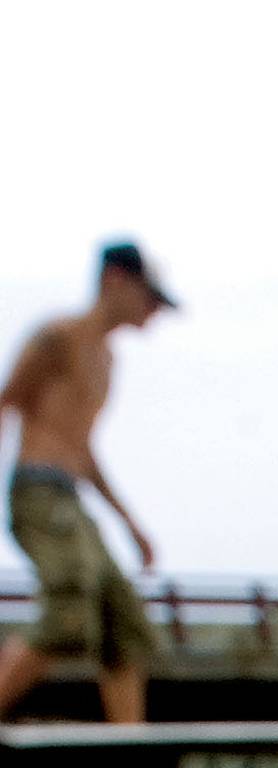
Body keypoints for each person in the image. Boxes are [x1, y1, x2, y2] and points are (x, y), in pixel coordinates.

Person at [0, 240, 176, 724]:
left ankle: (128, 749)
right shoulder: (58, 337)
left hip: (71, 498)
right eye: (148, 296)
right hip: (37, 491)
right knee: (69, 614)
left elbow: (84, 452)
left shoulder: (107, 361)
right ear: (114, 279)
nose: (152, 310)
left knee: (123, 622)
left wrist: (130, 524)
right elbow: (7, 402)